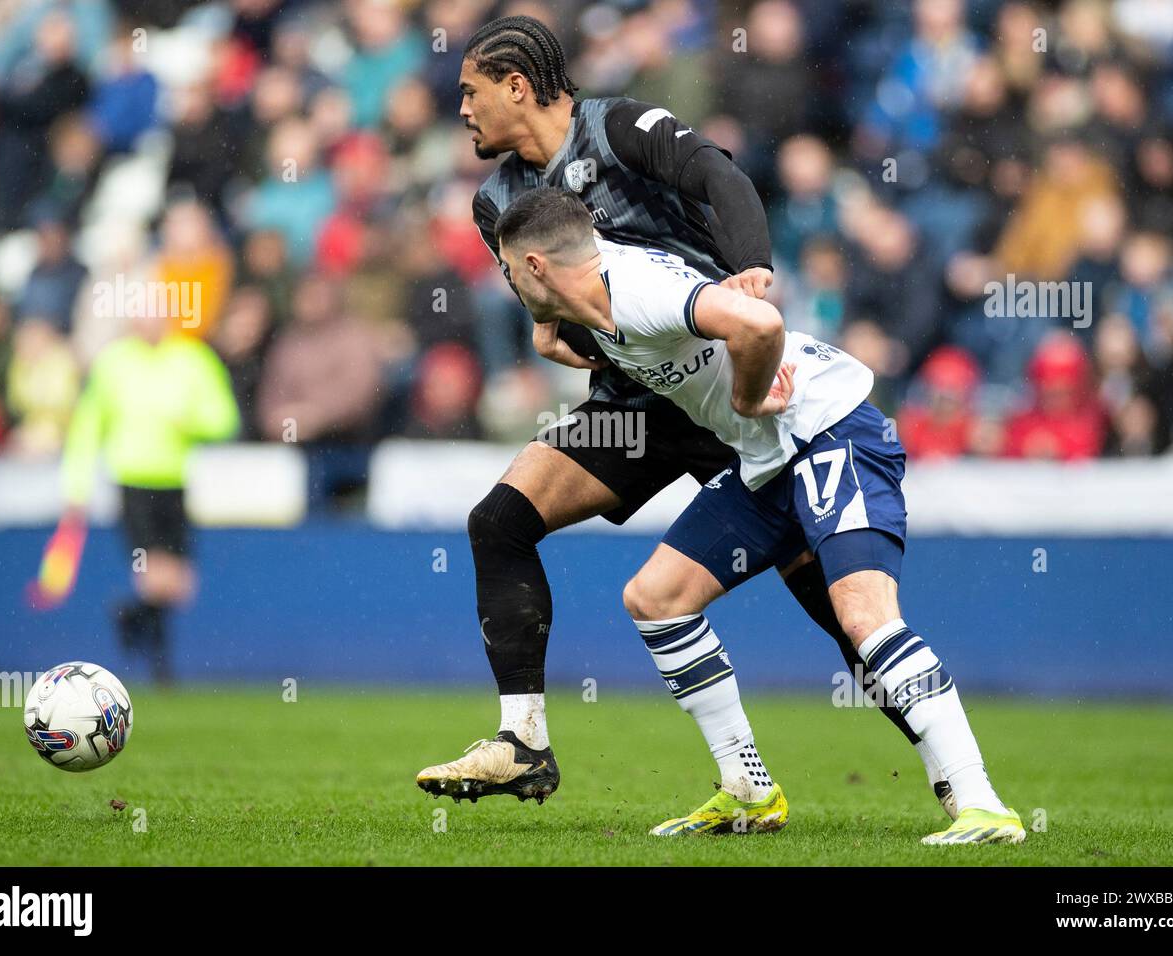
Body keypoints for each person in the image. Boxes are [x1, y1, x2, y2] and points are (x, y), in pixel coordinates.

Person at [417, 15, 957, 831]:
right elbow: (556, 326)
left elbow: (720, 177)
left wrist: (750, 275)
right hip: (637, 408)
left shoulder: (619, 126)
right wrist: (575, 348)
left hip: (728, 384)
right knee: (500, 520)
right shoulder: (496, 202)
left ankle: (954, 778)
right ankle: (523, 736)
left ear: (516, 87)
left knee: (838, 607)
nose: (460, 110)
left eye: (470, 92)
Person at [491, 187, 1024, 844]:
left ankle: (981, 802)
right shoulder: (589, 287)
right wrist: (550, 331)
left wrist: (746, 396)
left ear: (537, 266)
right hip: (766, 460)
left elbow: (761, 324)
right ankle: (747, 790)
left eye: (510, 269)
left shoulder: (634, 289)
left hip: (829, 427)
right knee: (657, 597)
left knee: (863, 615)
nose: (507, 282)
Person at [59, 306, 239, 683]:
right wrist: (77, 484)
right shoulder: (114, 363)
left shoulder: (193, 359)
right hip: (132, 481)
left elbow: (225, 418)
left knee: (182, 585)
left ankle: (130, 615)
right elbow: (88, 425)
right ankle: (162, 668)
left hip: (174, 482)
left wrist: (190, 422)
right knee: (154, 576)